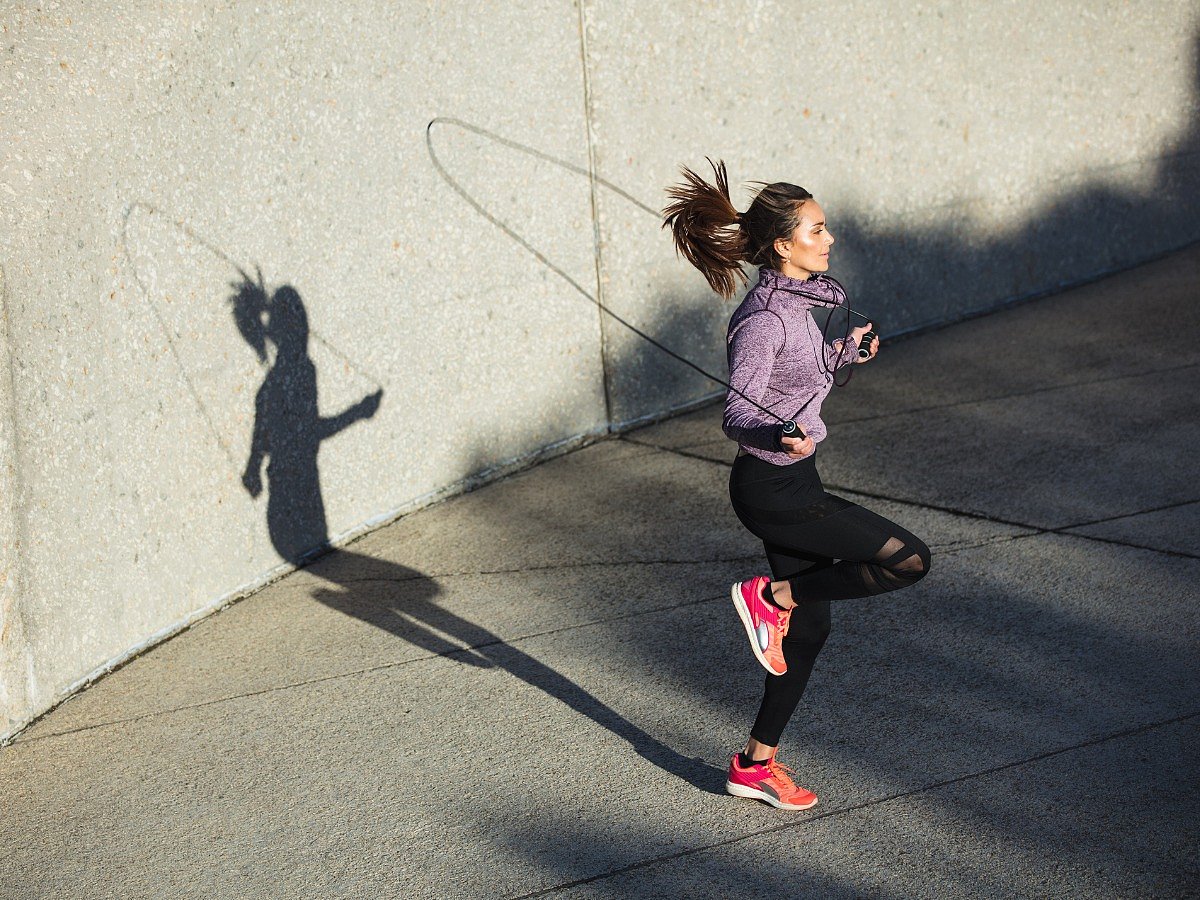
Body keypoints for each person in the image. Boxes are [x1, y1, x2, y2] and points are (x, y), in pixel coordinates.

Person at [663, 160, 931, 810]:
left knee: (809, 636)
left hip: (792, 481)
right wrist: (775, 434)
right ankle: (771, 595)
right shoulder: (763, 320)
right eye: (817, 228)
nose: (829, 237)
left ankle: (755, 765)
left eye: (825, 225)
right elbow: (739, 411)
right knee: (909, 559)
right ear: (783, 244)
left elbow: (798, 375)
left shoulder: (802, 304)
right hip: (774, 491)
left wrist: (844, 355)